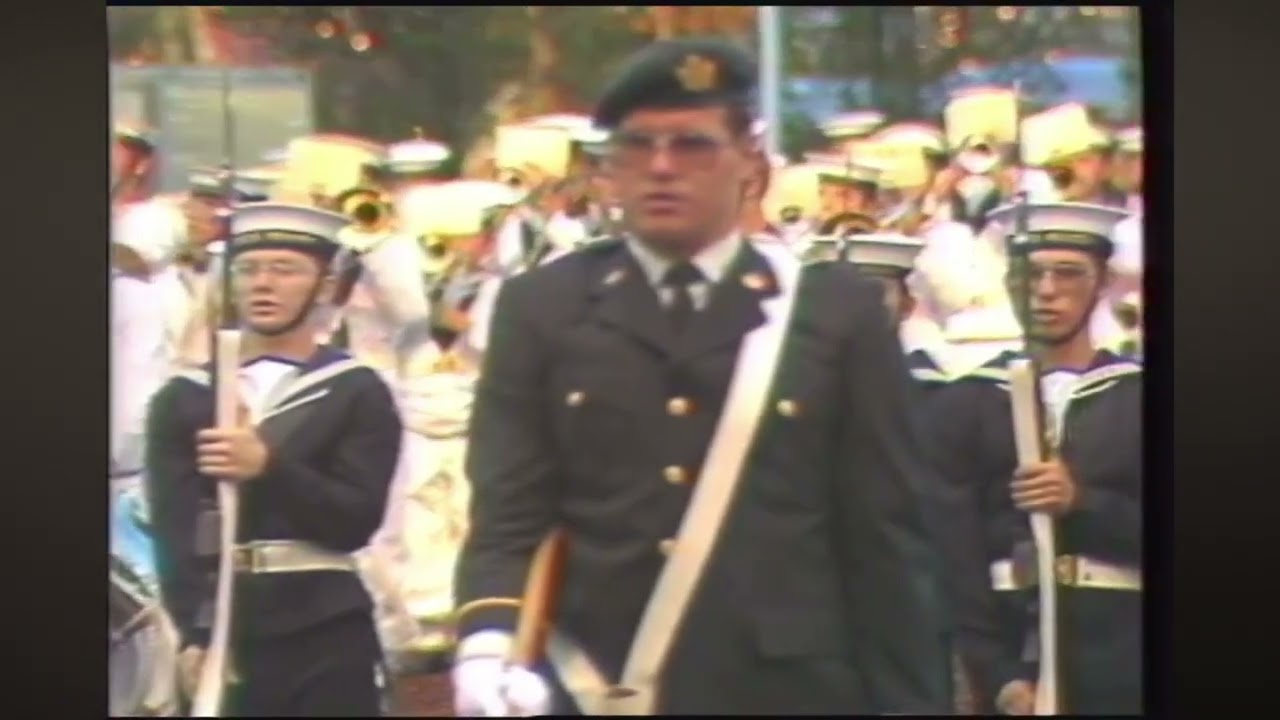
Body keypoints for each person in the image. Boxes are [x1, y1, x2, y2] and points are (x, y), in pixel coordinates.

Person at [451, 37, 949, 716]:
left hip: (785, 693)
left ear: (749, 162)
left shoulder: (832, 311)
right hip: (597, 680)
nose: (661, 169)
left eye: (692, 145)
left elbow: (884, 539)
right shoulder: (543, 307)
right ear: (606, 170)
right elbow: (509, 508)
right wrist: (487, 638)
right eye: (636, 147)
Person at [144, 203, 402, 716]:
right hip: (226, 627)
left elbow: (354, 519)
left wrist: (268, 467)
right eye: (249, 269)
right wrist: (193, 631)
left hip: (325, 623)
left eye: (285, 270)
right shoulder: (186, 397)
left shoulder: (355, 391)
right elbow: (172, 528)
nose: (264, 284)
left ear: (326, 286)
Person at [928, 202, 1141, 715]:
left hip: (1124, 659)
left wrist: (1081, 502)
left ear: (1104, 282)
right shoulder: (967, 401)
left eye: (1068, 274)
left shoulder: (1138, 395)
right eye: (1030, 273)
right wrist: (997, 675)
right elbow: (951, 553)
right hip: (1009, 657)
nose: (1046, 291)